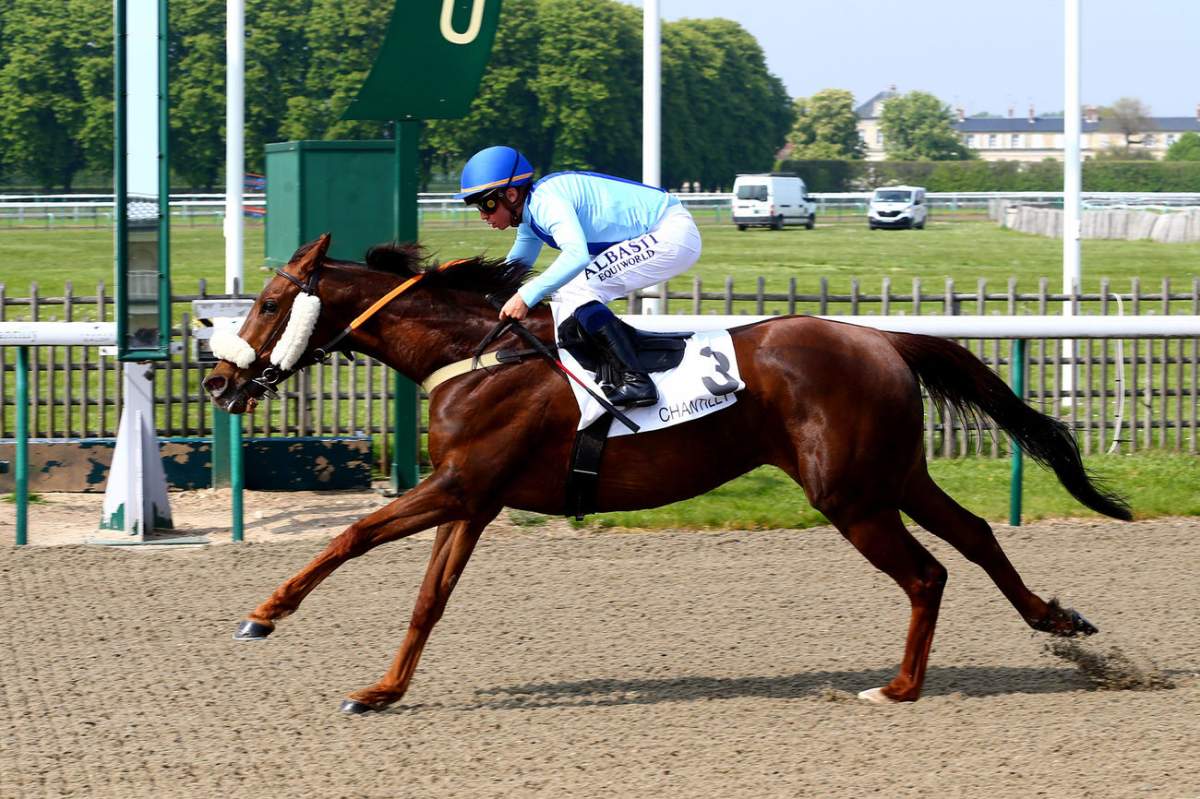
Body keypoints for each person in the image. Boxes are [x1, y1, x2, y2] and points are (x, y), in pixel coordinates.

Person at [455, 145, 702, 408]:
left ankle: (636, 380)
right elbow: (515, 268)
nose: (483, 215)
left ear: (512, 194)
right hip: (663, 232)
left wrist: (525, 297)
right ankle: (619, 365)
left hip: (670, 233)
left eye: (487, 204)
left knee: (577, 290)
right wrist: (477, 291)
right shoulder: (530, 215)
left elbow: (576, 255)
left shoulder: (545, 202)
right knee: (566, 295)